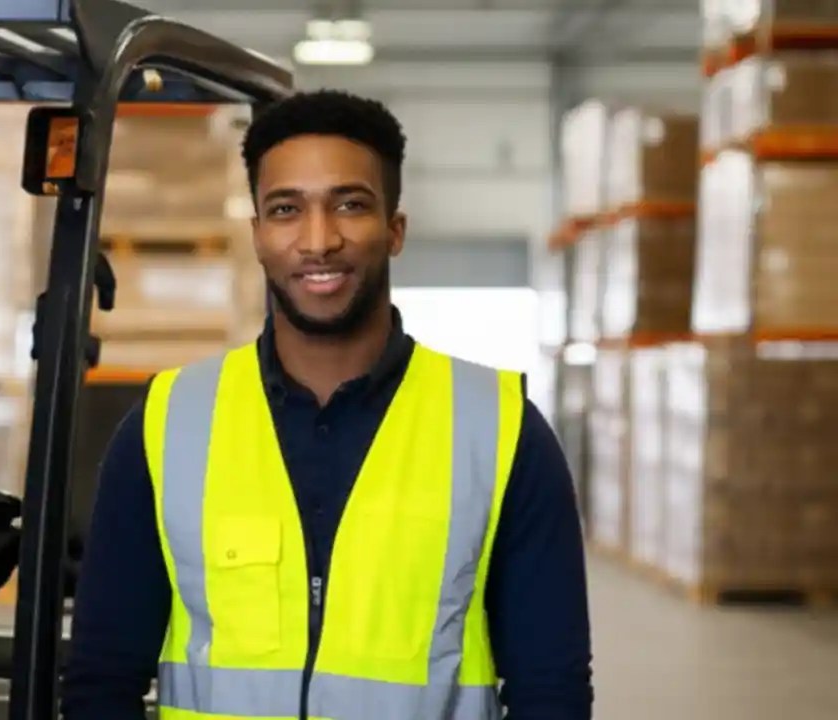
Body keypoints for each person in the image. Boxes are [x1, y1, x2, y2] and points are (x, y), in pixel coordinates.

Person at [60, 89, 593, 719]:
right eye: (287, 209)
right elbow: (101, 682)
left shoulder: (500, 431)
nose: (319, 240)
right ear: (257, 234)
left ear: (395, 229)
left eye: (350, 205)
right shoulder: (167, 425)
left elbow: (551, 693)